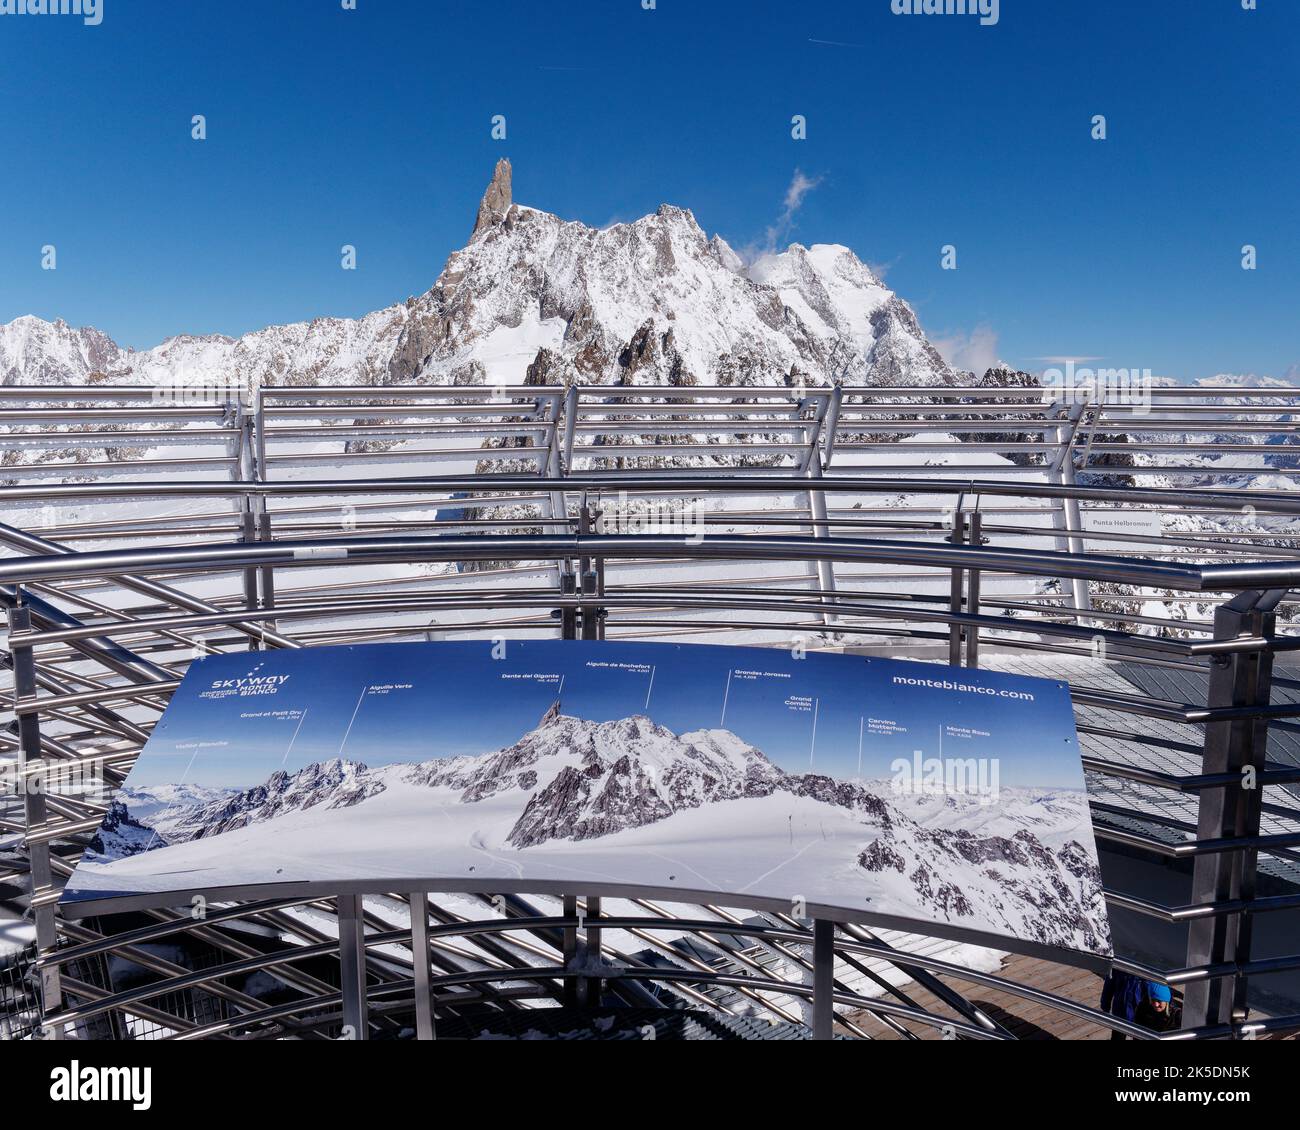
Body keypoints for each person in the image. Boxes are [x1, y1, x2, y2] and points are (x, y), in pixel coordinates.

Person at [1100, 969, 1145, 1040]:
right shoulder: (1118, 968)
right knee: (1117, 1037)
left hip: (1140, 1016)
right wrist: (1105, 1005)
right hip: (1120, 1012)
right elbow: (1108, 986)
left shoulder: (1145, 975)